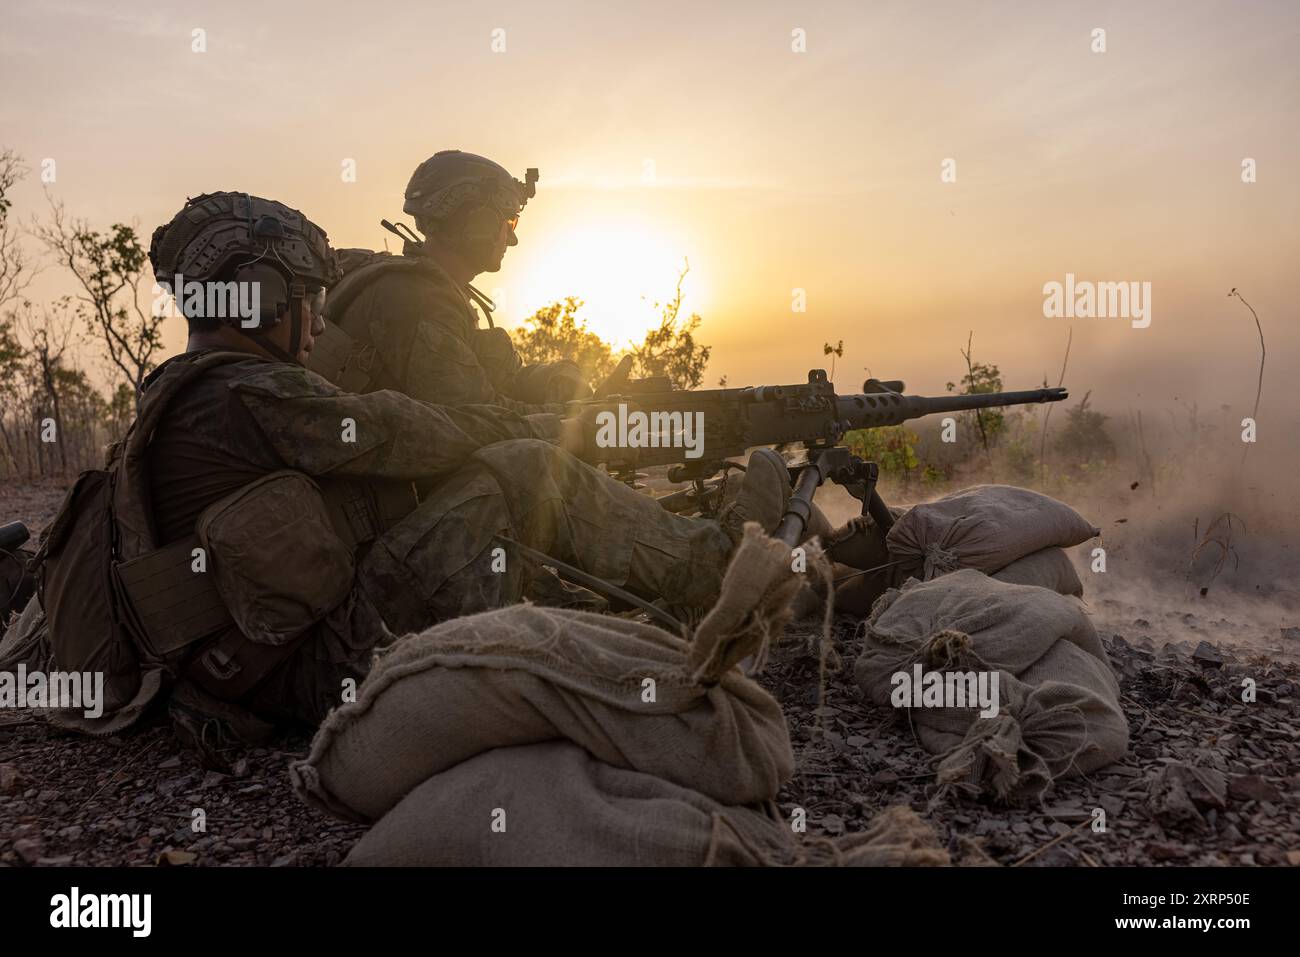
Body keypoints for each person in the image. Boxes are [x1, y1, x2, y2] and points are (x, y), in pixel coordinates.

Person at [84, 190, 792, 731]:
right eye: (308, 300)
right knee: (524, 468)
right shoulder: (248, 392)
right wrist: (536, 425)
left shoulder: (183, 393)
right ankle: (725, 570)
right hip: (307, 670)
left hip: (246, 666)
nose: (320, 322)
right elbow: (399, 431)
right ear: (262, 300)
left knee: (476, 477)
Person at [307, 150, 601, 410]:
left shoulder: (426, 287)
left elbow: (495, 380)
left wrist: (555, 378)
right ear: (478, 222)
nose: (512, 238)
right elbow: (477, 418)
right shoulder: (419, 300)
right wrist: (574, 422)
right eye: (508, 222)